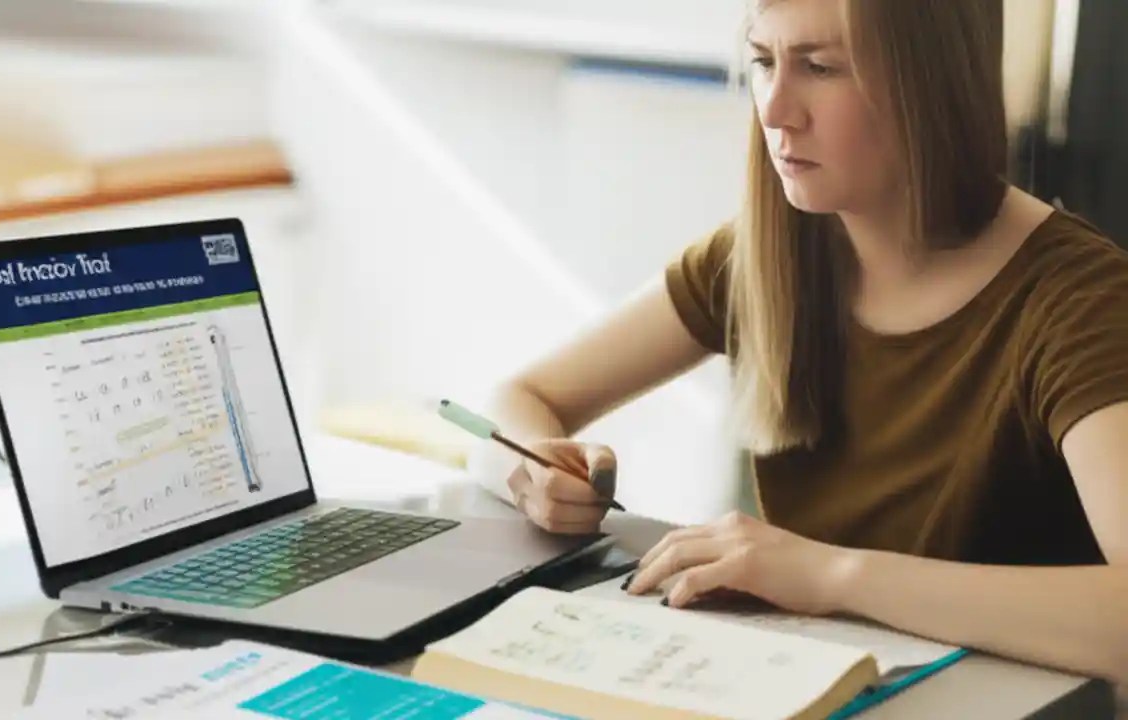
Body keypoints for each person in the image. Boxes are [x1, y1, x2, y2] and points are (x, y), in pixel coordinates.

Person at [468, 0, 1128, 686]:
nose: (776, 109)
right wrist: (537, 473)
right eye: (762, 62)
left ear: (931, 80)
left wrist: (832, 573)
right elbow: (518, 399)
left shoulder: (1078, 301)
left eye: (819, 67)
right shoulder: (765, 255)